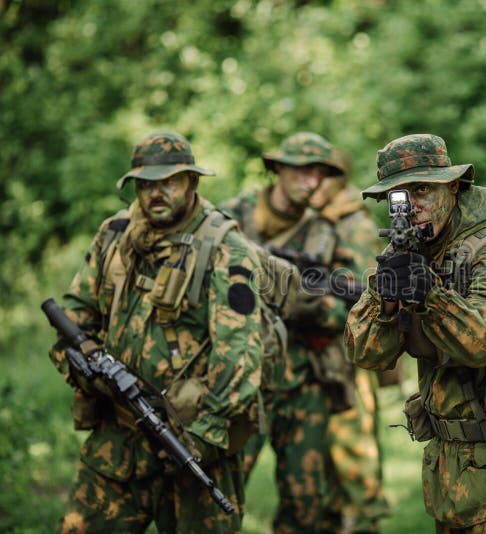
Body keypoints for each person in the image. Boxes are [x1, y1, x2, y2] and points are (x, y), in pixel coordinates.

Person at [346, 133, 486, 532]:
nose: (411, 208)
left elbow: (485, 339)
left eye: (422, 190)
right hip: (450, 474)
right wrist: (388, 302)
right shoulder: (411, 252)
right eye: (398, 197)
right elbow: (366, 355)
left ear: (452, 186)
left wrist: (428, 294)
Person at [48, 131, 265, 532]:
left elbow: (240, 355)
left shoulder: (225, 249)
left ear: (192, 181)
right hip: (118, 439)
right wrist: (80, 366)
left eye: (169, 182)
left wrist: (204, 436)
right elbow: (76, 312)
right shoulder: (115, 235)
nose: (156, 194)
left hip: (194, 445)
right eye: (146, 184)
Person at [220, 131, 351, 533]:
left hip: (301, 383)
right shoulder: (228, 219)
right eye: (303, 171)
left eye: (320, 174)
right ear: (277, 169)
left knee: (307, 504)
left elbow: (349, 304)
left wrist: (311, 309)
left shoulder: (324, 234)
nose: (312, 182)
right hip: (238, 380)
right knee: (217, 493)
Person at [308, 148, 391, 533]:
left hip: (351, 355)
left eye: (321, 176)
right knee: (328, 456)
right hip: (326, 353)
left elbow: (370, 292)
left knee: (355, 450)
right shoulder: (322, 220)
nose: (312, 184)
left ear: (338, 179)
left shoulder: (353, 224)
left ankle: (364, 521)